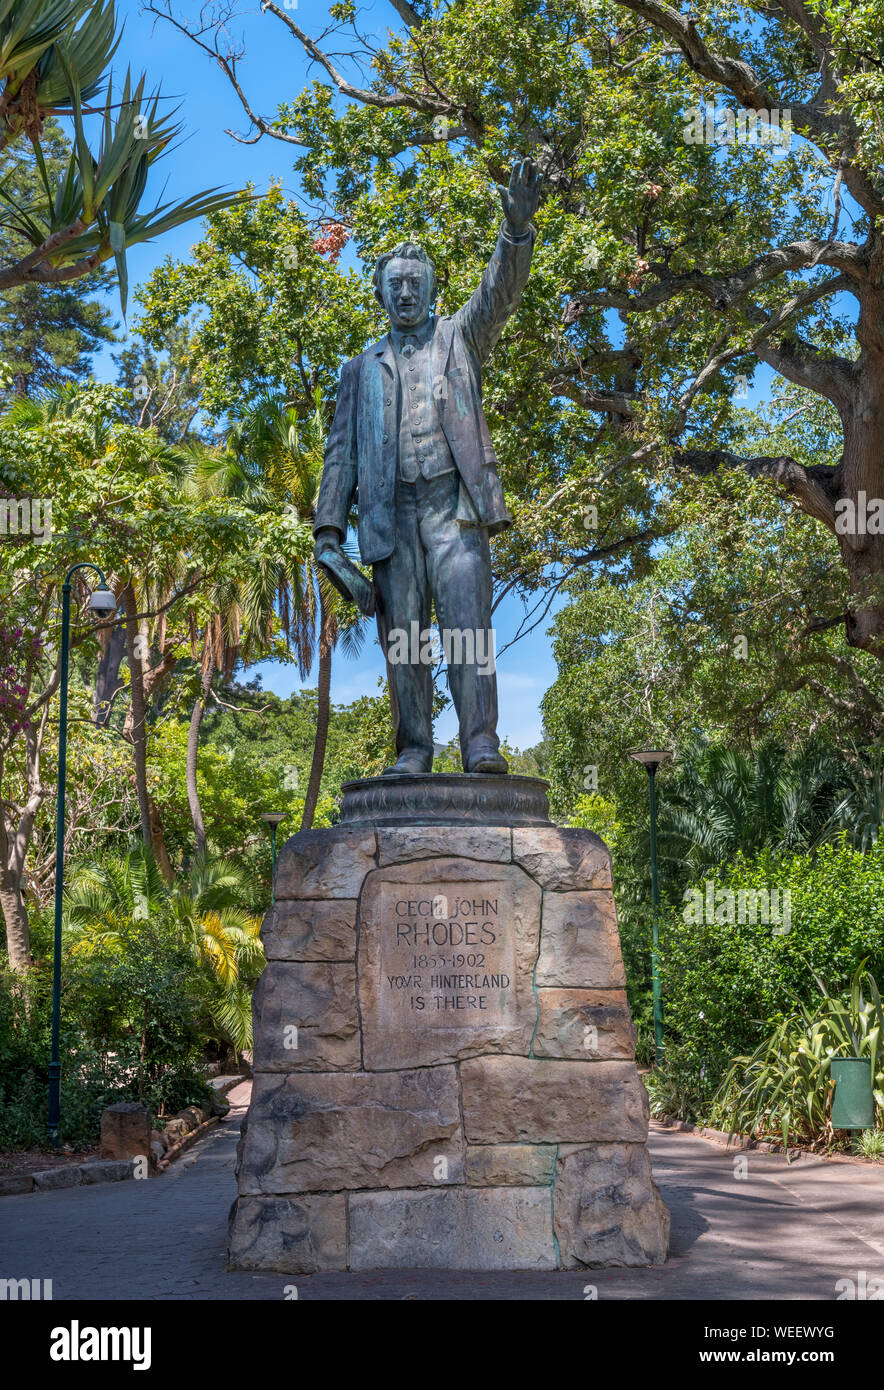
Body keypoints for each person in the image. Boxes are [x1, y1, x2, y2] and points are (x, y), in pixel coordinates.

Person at [314, 159, 542, 776]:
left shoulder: (460, 338)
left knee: (467, 630)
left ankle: (480, 745)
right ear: (382, 293)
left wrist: (515, 230)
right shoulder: (360, 371)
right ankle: (413, 749)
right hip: (391, 519)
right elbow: (341, 453)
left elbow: (501, 291)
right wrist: (328, 531)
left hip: (452, 510)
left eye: (417, 282)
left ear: (433, 291)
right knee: (404, 643)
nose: (407, 292)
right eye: (396, 284)